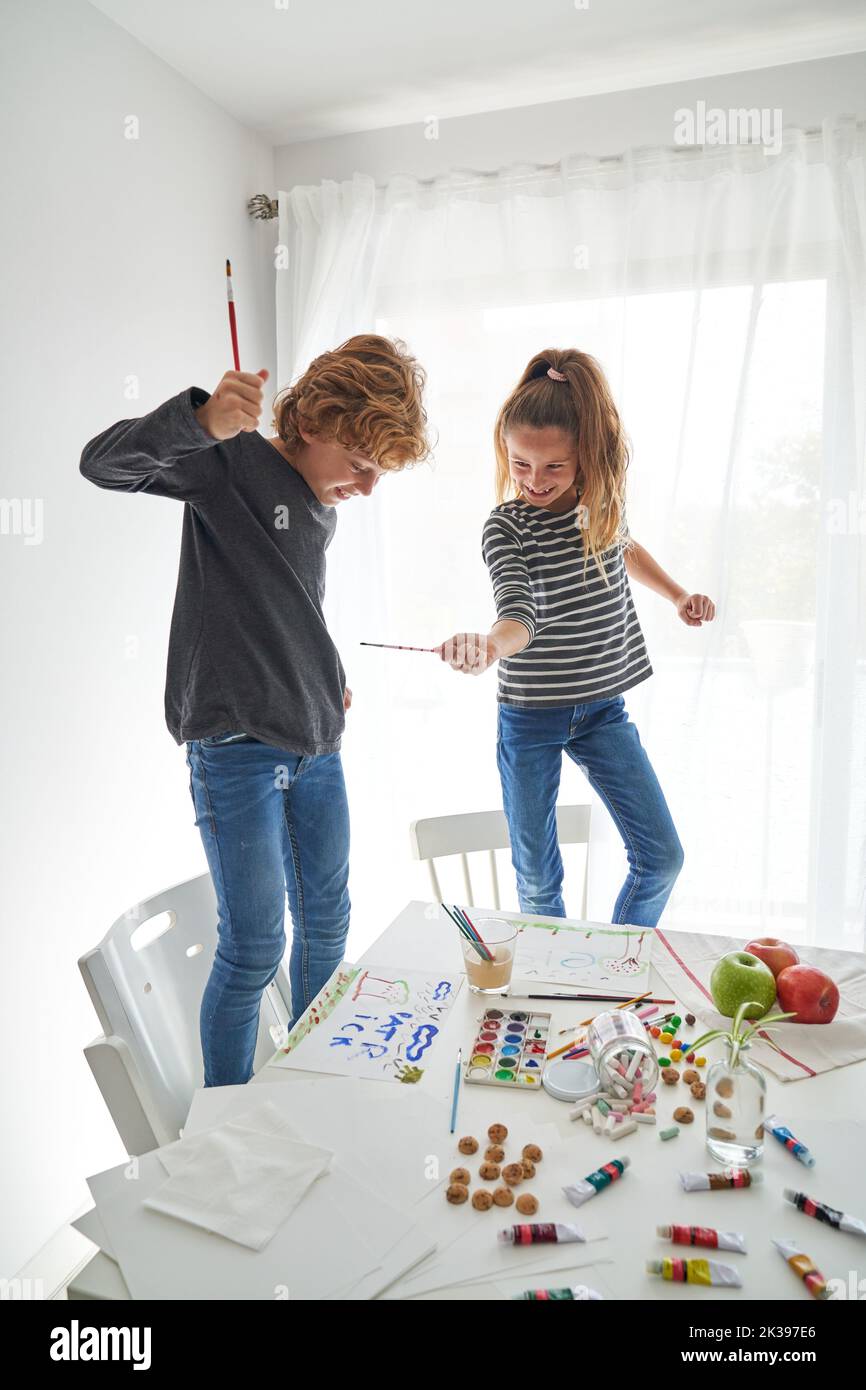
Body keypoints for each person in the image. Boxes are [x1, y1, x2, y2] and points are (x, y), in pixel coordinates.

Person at [80, 335, 430, 1085]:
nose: (367, 487)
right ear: (315, 421)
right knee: (254, 948)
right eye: (362, 465)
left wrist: (320, 674)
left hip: (316, 743)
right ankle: (227, 1125)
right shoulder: (228, 463)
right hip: (237, 745)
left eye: (380, 475)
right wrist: (200, 424)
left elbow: (288, 603)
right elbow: (102, 462)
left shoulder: (320, 503)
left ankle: (307, 1086)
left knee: (329, 926)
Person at [436, 349, 715, 927]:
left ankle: (610, 963)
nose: (534, 481)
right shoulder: (507, 526)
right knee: (539, 880)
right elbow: (519, 612)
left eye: (553, 467)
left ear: (585, 457)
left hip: (602, 709)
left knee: (662, 858)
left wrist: (677, 594)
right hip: (530, 716)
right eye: (520, 465)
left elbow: (623, 548)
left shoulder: (600, 507)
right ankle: (553, 983)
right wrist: (490, 645)